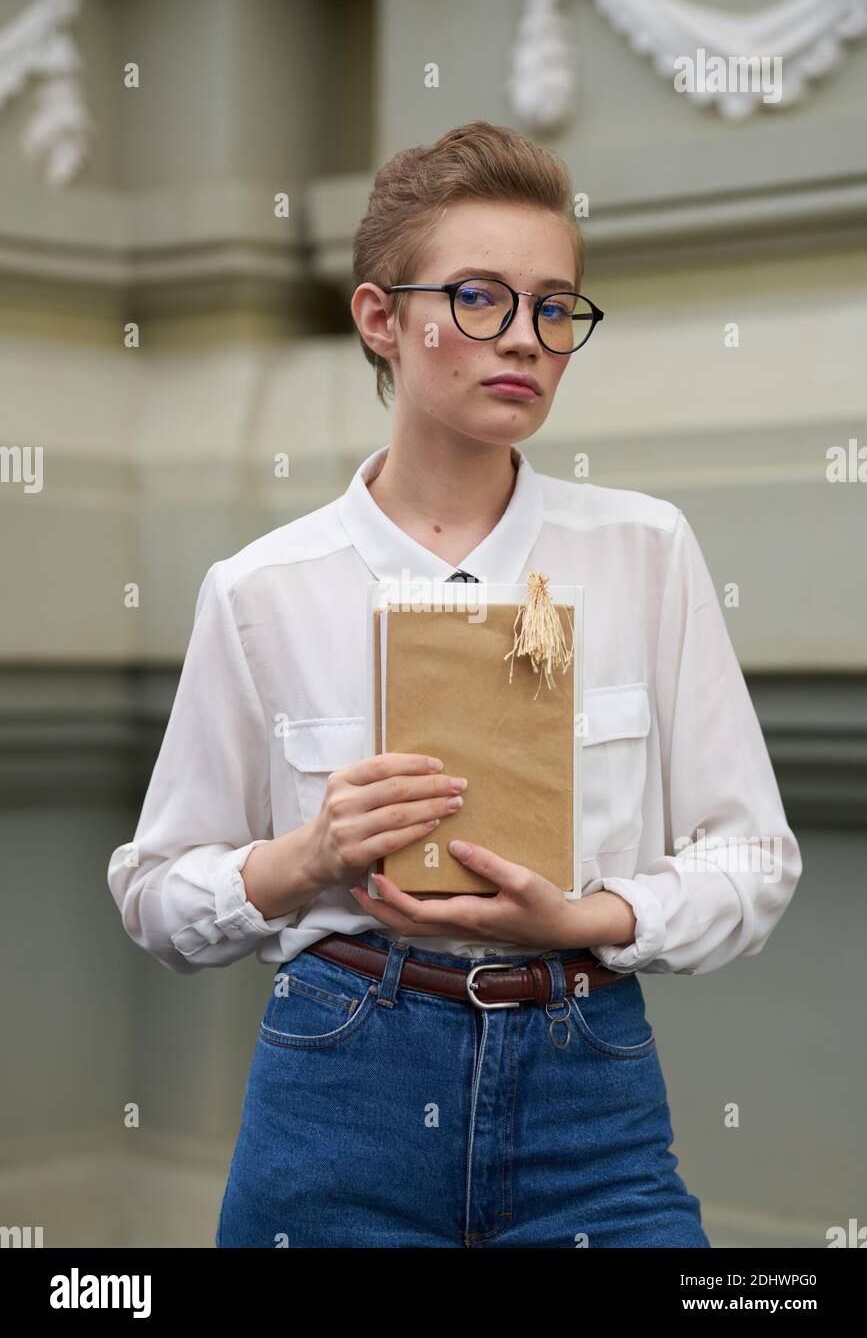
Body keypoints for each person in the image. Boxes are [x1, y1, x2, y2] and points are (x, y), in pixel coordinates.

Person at [107, 120, 802, 1248]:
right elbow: (152, 892)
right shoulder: (263, 589)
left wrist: (589, 915)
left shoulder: (645, 550)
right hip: (341, 1084)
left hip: (592, 1086)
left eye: (554, 306)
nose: (524, 338)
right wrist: (306, 857)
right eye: (479, 298)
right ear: (381, 317)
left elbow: (754, 857)